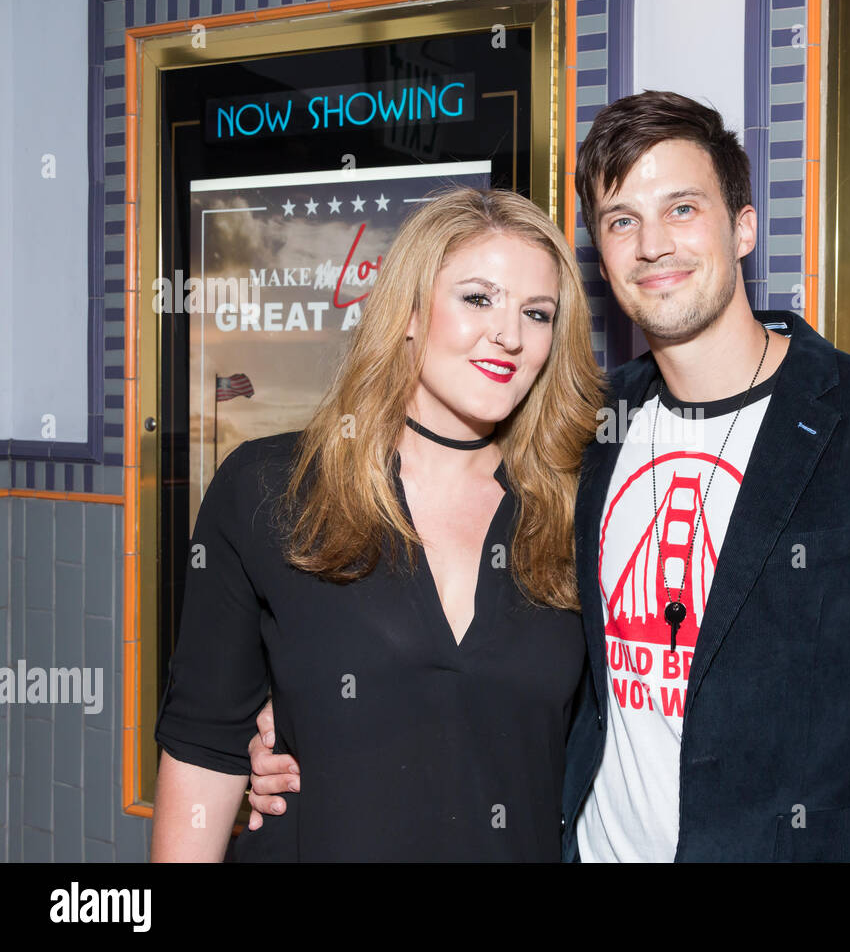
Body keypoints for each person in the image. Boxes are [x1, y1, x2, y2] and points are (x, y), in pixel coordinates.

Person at [249, 90, 850, 861]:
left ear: (745, 227)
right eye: (623, 220)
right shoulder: (578, 426)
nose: (653, 244)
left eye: (682, 208)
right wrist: (303, 716)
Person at [151, 187, 607, 861]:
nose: (508, 334)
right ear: (410, 313)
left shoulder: (583, 509)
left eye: (536, 313)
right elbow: (203, 749)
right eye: (478, 298)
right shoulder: (269, 488)